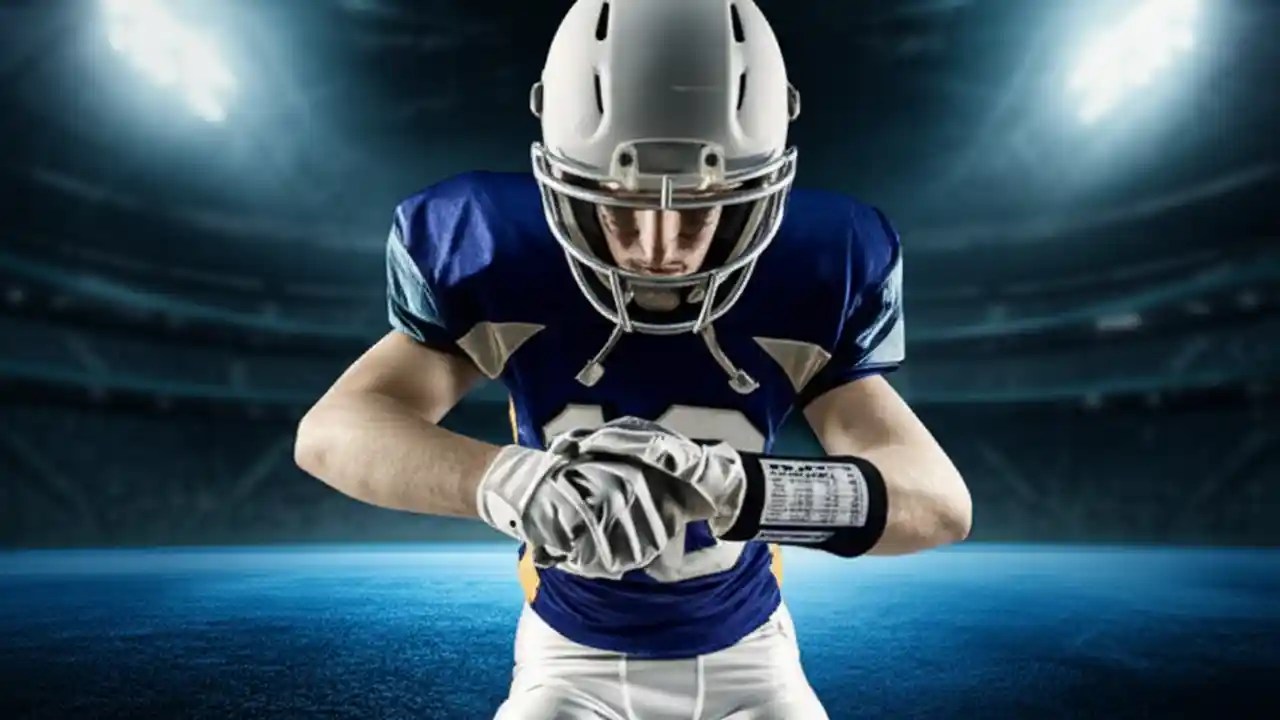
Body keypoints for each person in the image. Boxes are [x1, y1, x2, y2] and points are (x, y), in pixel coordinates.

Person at [294, 1, 972, 717]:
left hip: (752, 652)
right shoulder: (493, 250)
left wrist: (739, 488)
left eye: (702, 204)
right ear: (559, 177)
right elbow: (334, 432)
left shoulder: (819, 264)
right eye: (618, 202)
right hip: (567, 654)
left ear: (760, 190)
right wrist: (508, 480)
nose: (658, 246)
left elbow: (938, 503)